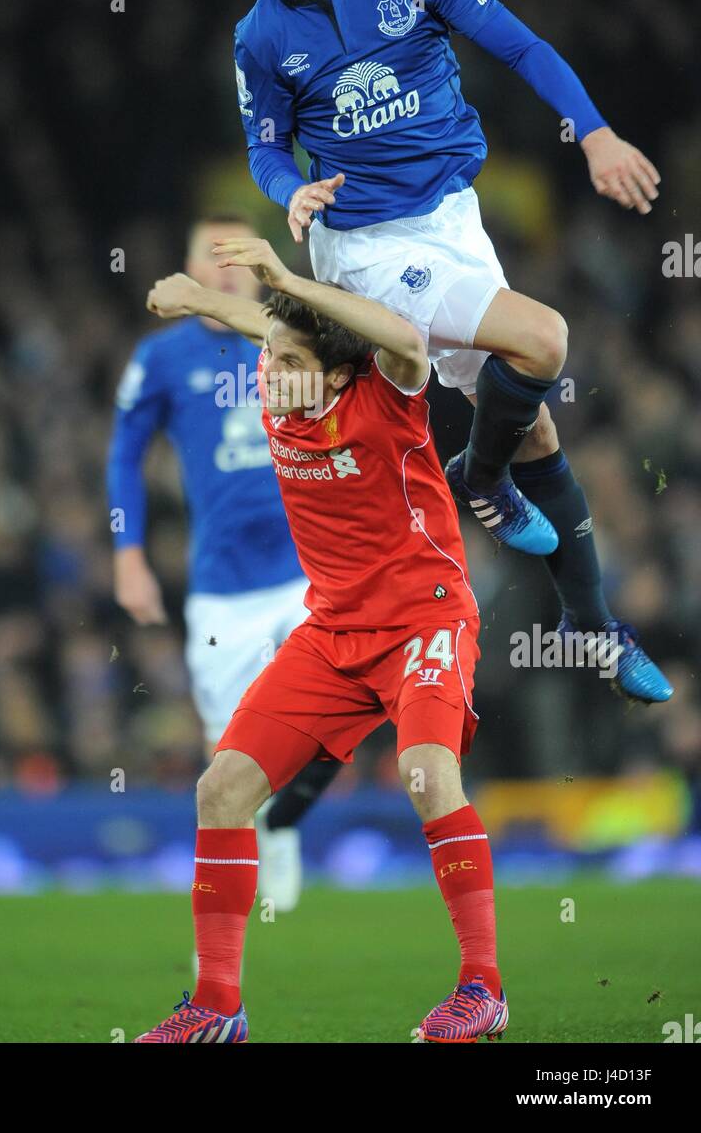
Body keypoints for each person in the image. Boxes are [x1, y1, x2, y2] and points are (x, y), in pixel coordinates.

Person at [229, 0, 671, 705]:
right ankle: (478, 479)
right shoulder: (258, 34)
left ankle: (594, 632)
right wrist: (293, 192)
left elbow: (521, 45)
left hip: (452, 223)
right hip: (362, 248)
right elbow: (263, 146)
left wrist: (597, 134)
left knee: (534, 428)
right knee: (544, 338)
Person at [134, 236, 507, 1045]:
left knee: (423, 769)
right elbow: (263, 328)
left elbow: (407, 343)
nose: (267, 372)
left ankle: (482, 988)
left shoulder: (384, 397)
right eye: (268, 355)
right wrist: (202, 300)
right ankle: (217, 1007)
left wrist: (286, 278)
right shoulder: (288, 382)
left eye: (287, 359)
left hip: (425, 619)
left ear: (338, 373)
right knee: (221, 790)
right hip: (334, 630)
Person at [108, 214, 341, 910]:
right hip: (221, 588)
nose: (225, 268)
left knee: (336, 717)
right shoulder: (161, 358)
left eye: (237, 254)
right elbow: (124, 453)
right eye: (209, 256)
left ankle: (287, 821)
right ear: (186, 269)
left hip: (309, 570)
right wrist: (128, 554)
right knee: (231, 753)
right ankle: (244, 888)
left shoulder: (290, 337)